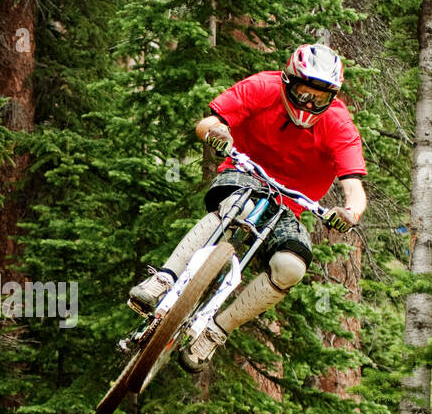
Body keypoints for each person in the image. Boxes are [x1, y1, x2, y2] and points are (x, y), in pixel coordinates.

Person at [128, 43, 367, 371]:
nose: (309, 104)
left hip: (289, 206)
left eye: (320, 98)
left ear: (333, 98)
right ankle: (164, 280)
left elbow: (354, 188)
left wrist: (349, 213)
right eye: (302, 93)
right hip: (243, 175)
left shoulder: (339, 124)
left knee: (291, 267)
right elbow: (207, 123)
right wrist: (218, 133)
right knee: (235, 208)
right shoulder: (262, 87)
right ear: (287, 82)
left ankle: (214, 331)